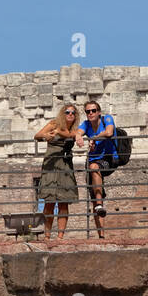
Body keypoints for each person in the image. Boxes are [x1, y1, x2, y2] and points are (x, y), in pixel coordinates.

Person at [34, 105, 84, 241]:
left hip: (65, 164)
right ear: (63, 113)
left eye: (73, 113)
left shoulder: (75, 129)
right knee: (49, 201)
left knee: (64, 201)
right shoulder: (54, 123)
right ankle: (47, 236)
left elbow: (70, 135)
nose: (70, 114)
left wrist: (65, 133)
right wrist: (46, 135)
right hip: (51, 163)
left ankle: (60, 237)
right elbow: (37, 135)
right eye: (67, 112)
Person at [77, 100, 118, 238]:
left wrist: (94, 137)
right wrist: (78, 137)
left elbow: (109, 132)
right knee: (94, 198)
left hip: (108, 158)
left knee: (94, 167)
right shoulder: (86, 124)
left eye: (93, 110)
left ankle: (100, 205)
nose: (90, 113)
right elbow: (79, 131)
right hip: (92, 160)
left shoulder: (107, 118)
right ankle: (101, 235)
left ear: (98, 112)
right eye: (88, 111)